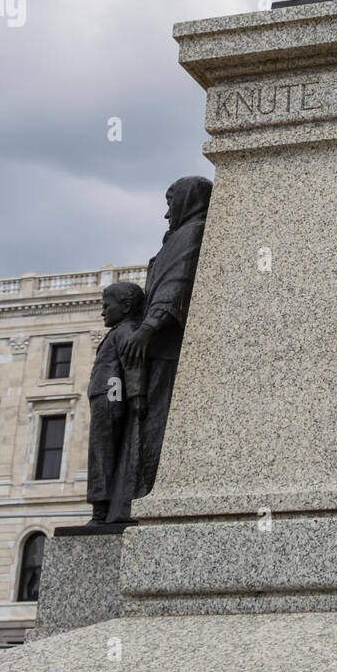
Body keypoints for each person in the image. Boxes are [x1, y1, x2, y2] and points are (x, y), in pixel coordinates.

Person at [122, 175, 212, 497]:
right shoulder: (178, 236)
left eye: (170, 203)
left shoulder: (193, 232)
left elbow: (179, 281)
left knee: (156, 420)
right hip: (159, 345)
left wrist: (148, 328)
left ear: (188, 201)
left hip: (167, 346)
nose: (166, 213)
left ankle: (150, 491)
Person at [84, 281, 145, 525]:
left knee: (103, 451)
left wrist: (135, 395)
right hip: (107, 396)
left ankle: (101, 509)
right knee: (101, 451)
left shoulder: (126, 330)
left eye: (106, 306)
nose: (102, 312)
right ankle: (102, 508)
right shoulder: (121, 330)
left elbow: (132, 364)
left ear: (126, 306)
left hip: (110, 396)